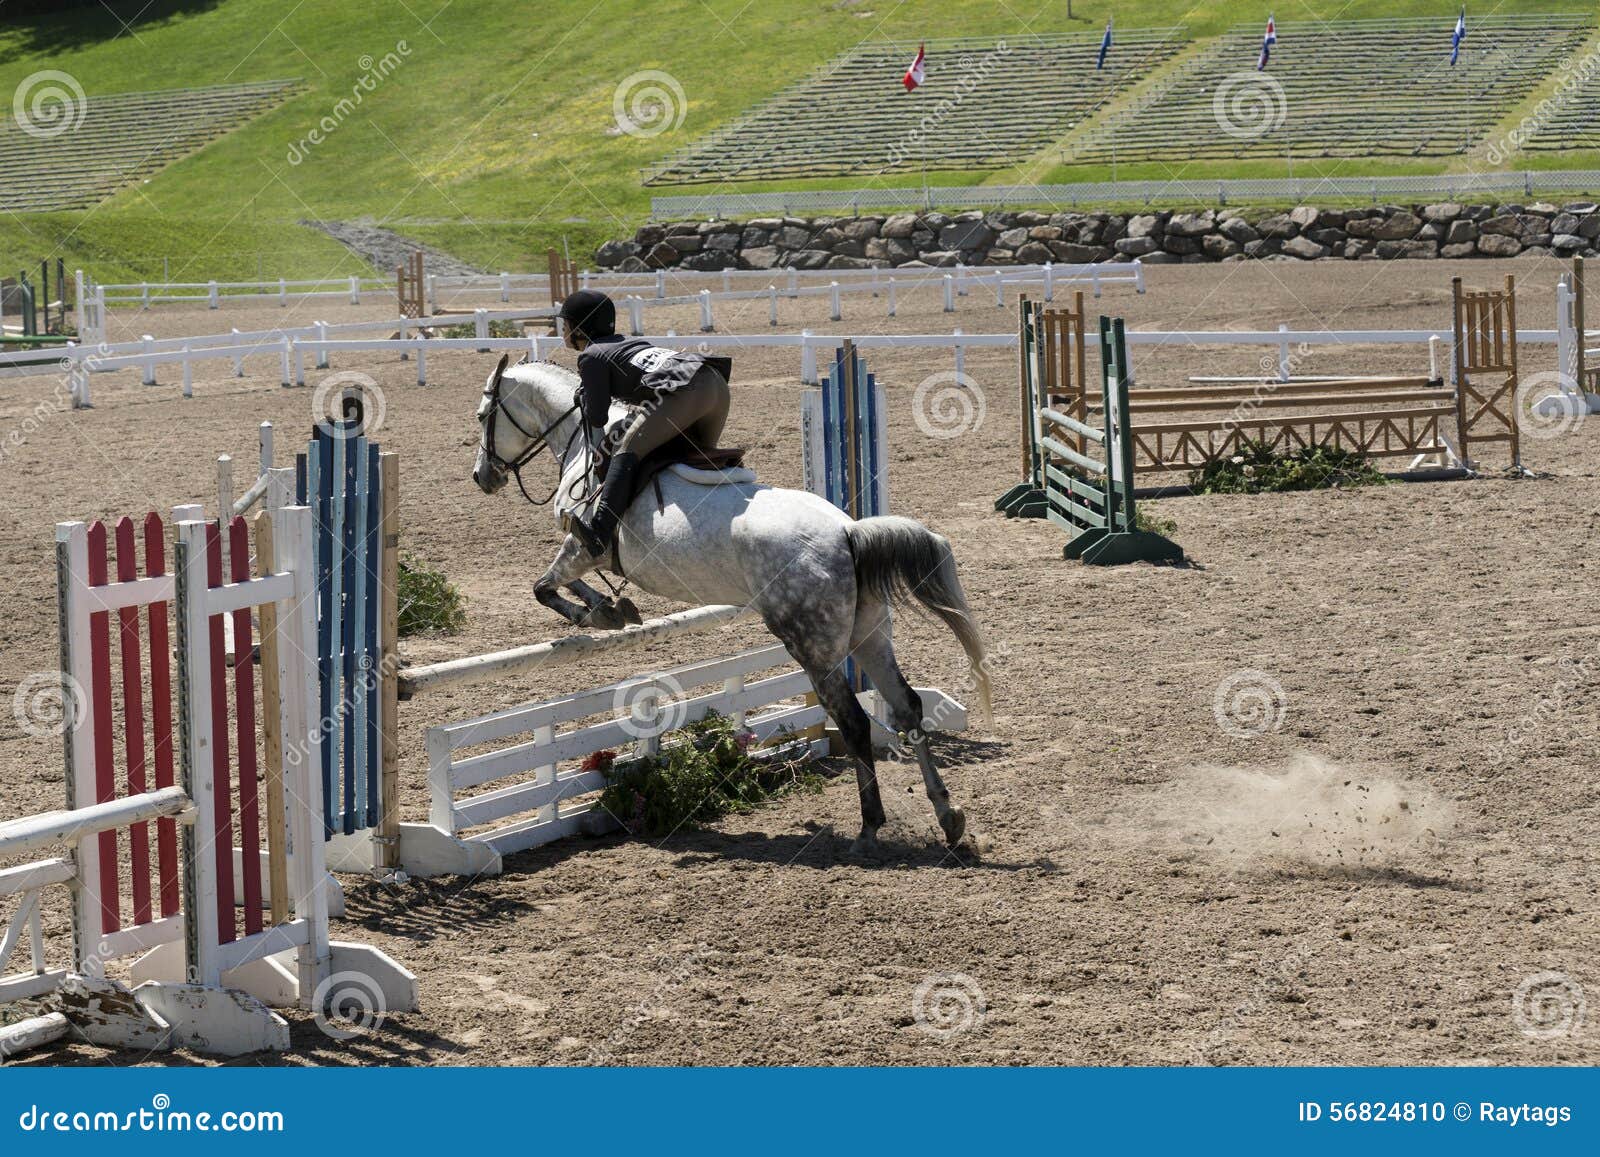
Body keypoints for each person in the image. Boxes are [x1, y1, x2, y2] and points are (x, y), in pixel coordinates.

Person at [558, 289, 732, 557]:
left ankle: (599, 532)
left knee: (627, 446)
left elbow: (597, 417)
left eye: (566, 324)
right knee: (696, 460)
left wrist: (584, 395)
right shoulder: (630, 344)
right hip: (716, 386)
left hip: (689, 390)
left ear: (580, 328)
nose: (562, 330)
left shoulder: (591, 355)